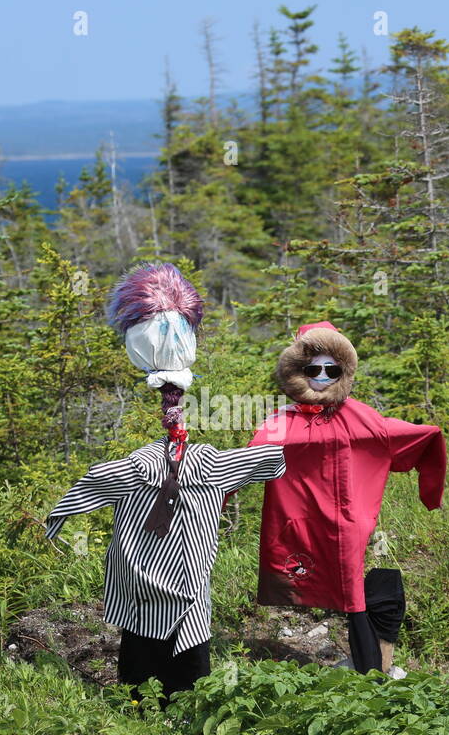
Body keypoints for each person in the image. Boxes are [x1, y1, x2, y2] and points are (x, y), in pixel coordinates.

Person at [45, 264, 285, 702]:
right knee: (190, 665)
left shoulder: (137, 467)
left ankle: (138, 711)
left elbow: (92, 481)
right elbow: (265, 460)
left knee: (138, 655)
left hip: (137, 582)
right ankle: (187, 714)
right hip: (191, 583)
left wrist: (57, 518)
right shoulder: (210, 465)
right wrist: (296, 442)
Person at [243, 321, 446, 674]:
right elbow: (245, 464)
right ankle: (369, 669)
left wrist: (431, 493)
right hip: (302, 523)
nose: (322, 376)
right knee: (322, 580)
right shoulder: (281, 421)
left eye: (331, 369)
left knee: (353, 588)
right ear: (298, 371)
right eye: (313, 369)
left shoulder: (360, 416)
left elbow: (416, 439)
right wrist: (212, 499)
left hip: (351, 519)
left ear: (343, 370)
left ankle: (370, 668)